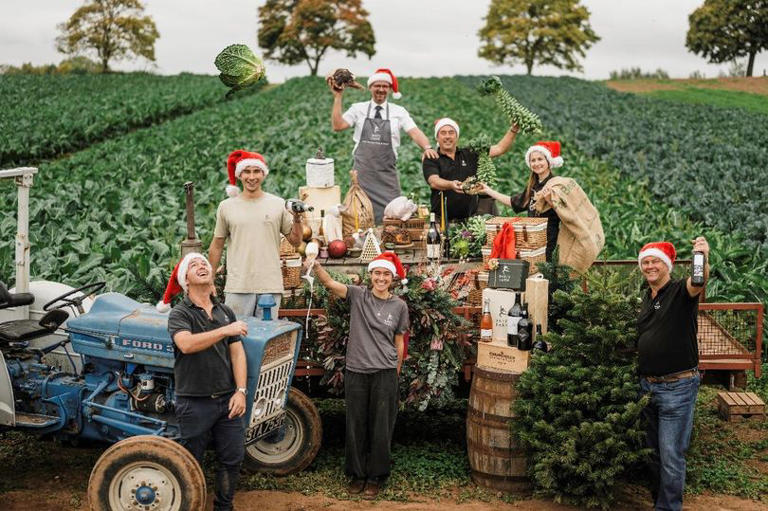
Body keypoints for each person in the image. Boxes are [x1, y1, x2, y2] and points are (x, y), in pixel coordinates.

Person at [310, 252, 409, 498]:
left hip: (384, 373)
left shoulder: (399, 306)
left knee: (381, 426)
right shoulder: (357, 295)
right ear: (370, 275)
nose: (381, 278)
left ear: (392, 278)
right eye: (377, 273)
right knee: (356, 424)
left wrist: (395, 372)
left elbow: (399, 343)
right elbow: (330, 284)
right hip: (356, 371)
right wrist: (315, 265)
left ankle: (375, 477)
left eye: (386, 274)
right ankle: (356, 474)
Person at [162, 252, 249, 511]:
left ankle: (224, 507)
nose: (202, 265)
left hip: (228, 399)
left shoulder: (225, 311)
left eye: (204, 263)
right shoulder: (180, 313)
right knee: (190, 462)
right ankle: (188, 506)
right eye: (194, 265)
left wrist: (241, 391)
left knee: (232, 459)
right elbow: (186, 345)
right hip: (194, 401)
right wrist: (224, 330)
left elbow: (237, 353)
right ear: (185, 280)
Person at [637, 238, 710, 511]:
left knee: (671, 455)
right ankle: (660, 501)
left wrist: (701, 256)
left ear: (666, 265)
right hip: (648, 387)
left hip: (676, 388)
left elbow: (698, 282)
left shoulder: (681, 291)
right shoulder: (648, 297)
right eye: (645, 262)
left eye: (655, 261)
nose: (650, 266)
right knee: (653, 454)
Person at [330, 67, 438, 223]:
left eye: (384, 86)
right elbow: (338, 126)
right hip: (363, 174)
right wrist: (338, 97)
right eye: (377, 86)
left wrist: (427, 147)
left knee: (393, 216)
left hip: (387, 176)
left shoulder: (398, 111)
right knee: (361, 216)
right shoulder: (358, 109)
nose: (380, 89)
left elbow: (414, 132)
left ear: (389, 89)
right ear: (370, 87)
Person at [208, 149, 304, 319]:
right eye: (247, 171)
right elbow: (217, 245)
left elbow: (295, 241)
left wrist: (297, 219)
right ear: (239, 175)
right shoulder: (226, 206)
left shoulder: (277, 204)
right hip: (238, 286)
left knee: (266, 338)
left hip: (270, 285)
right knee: (236, 336)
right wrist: (210, 280)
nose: (252, 177)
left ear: (263, 174)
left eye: (256, 171)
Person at [422, 117, 518, 223]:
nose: (447, 136)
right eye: (443, 133)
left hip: (470, 220)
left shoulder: (469, 153)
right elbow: (434, 181)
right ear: (437, 137)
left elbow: (500, 149)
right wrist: (451, 184)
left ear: (457, 136)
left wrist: (513, 129)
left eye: (451, 132)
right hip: (441, 221)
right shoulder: (432, 157)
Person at [482, 140, 564, 261]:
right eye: (533, 160)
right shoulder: (533, 186)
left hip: (549, 242)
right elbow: (514, 202)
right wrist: (488, 190)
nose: (536, 163)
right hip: (532, 242)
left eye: (540, 159)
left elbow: (564, 213)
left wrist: (549, 200)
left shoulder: (555, 184)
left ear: (548, 161)